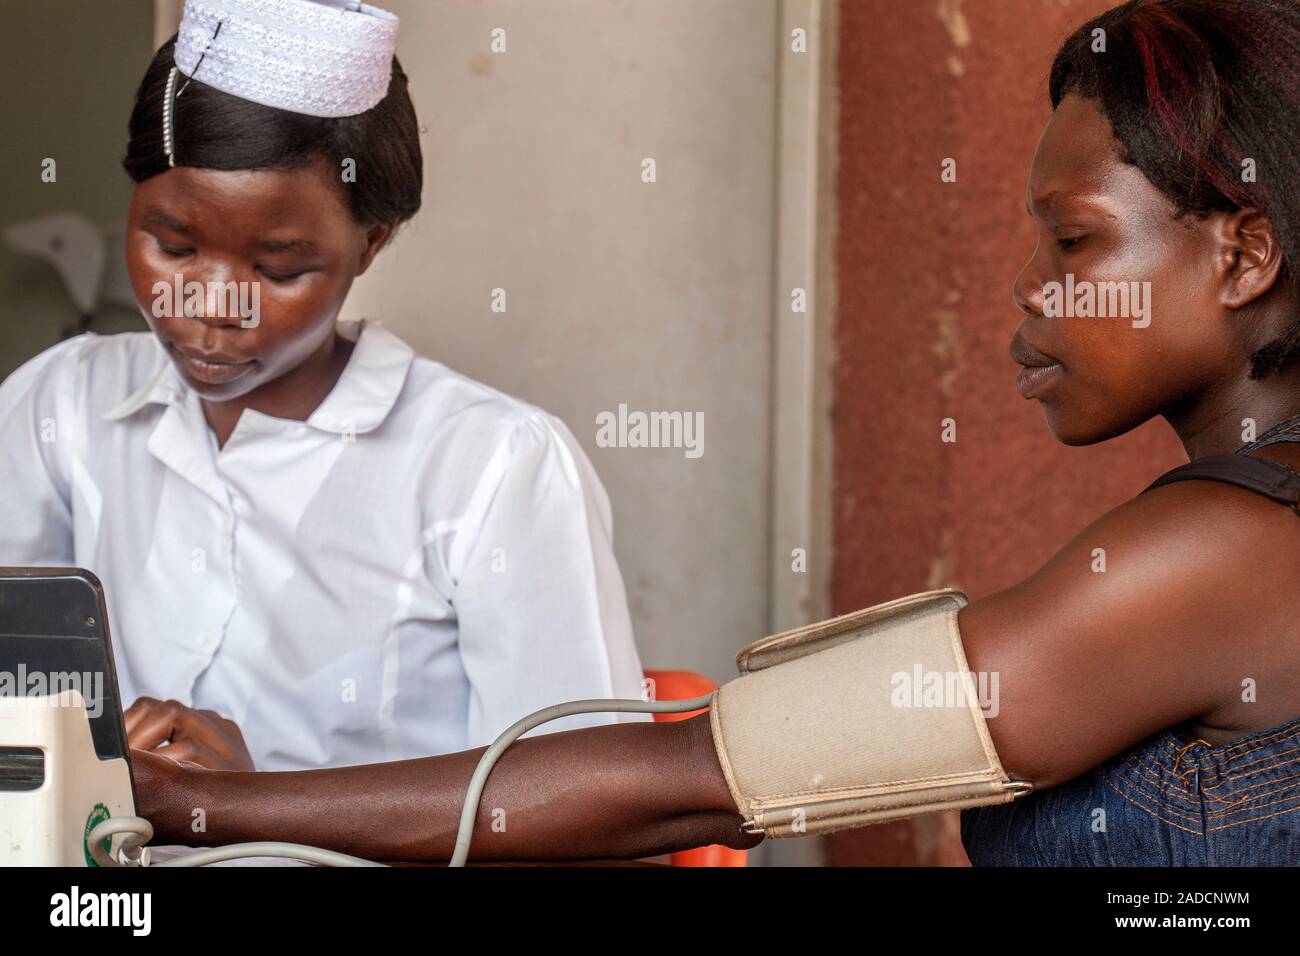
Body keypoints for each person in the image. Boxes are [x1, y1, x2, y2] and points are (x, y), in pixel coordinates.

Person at [133, 0, 1300, 864]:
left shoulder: (1219, 550)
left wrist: (194, 807)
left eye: (1072, 240)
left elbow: (694, 778)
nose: (1027, 285)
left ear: (1243, 253)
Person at [0, 0, 649, 774]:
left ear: (369, 245)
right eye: (171, 245)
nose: (210, 305)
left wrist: (260, 811)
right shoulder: (64, 408)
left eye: (277, 270)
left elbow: (589, 816)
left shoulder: (493, 468)